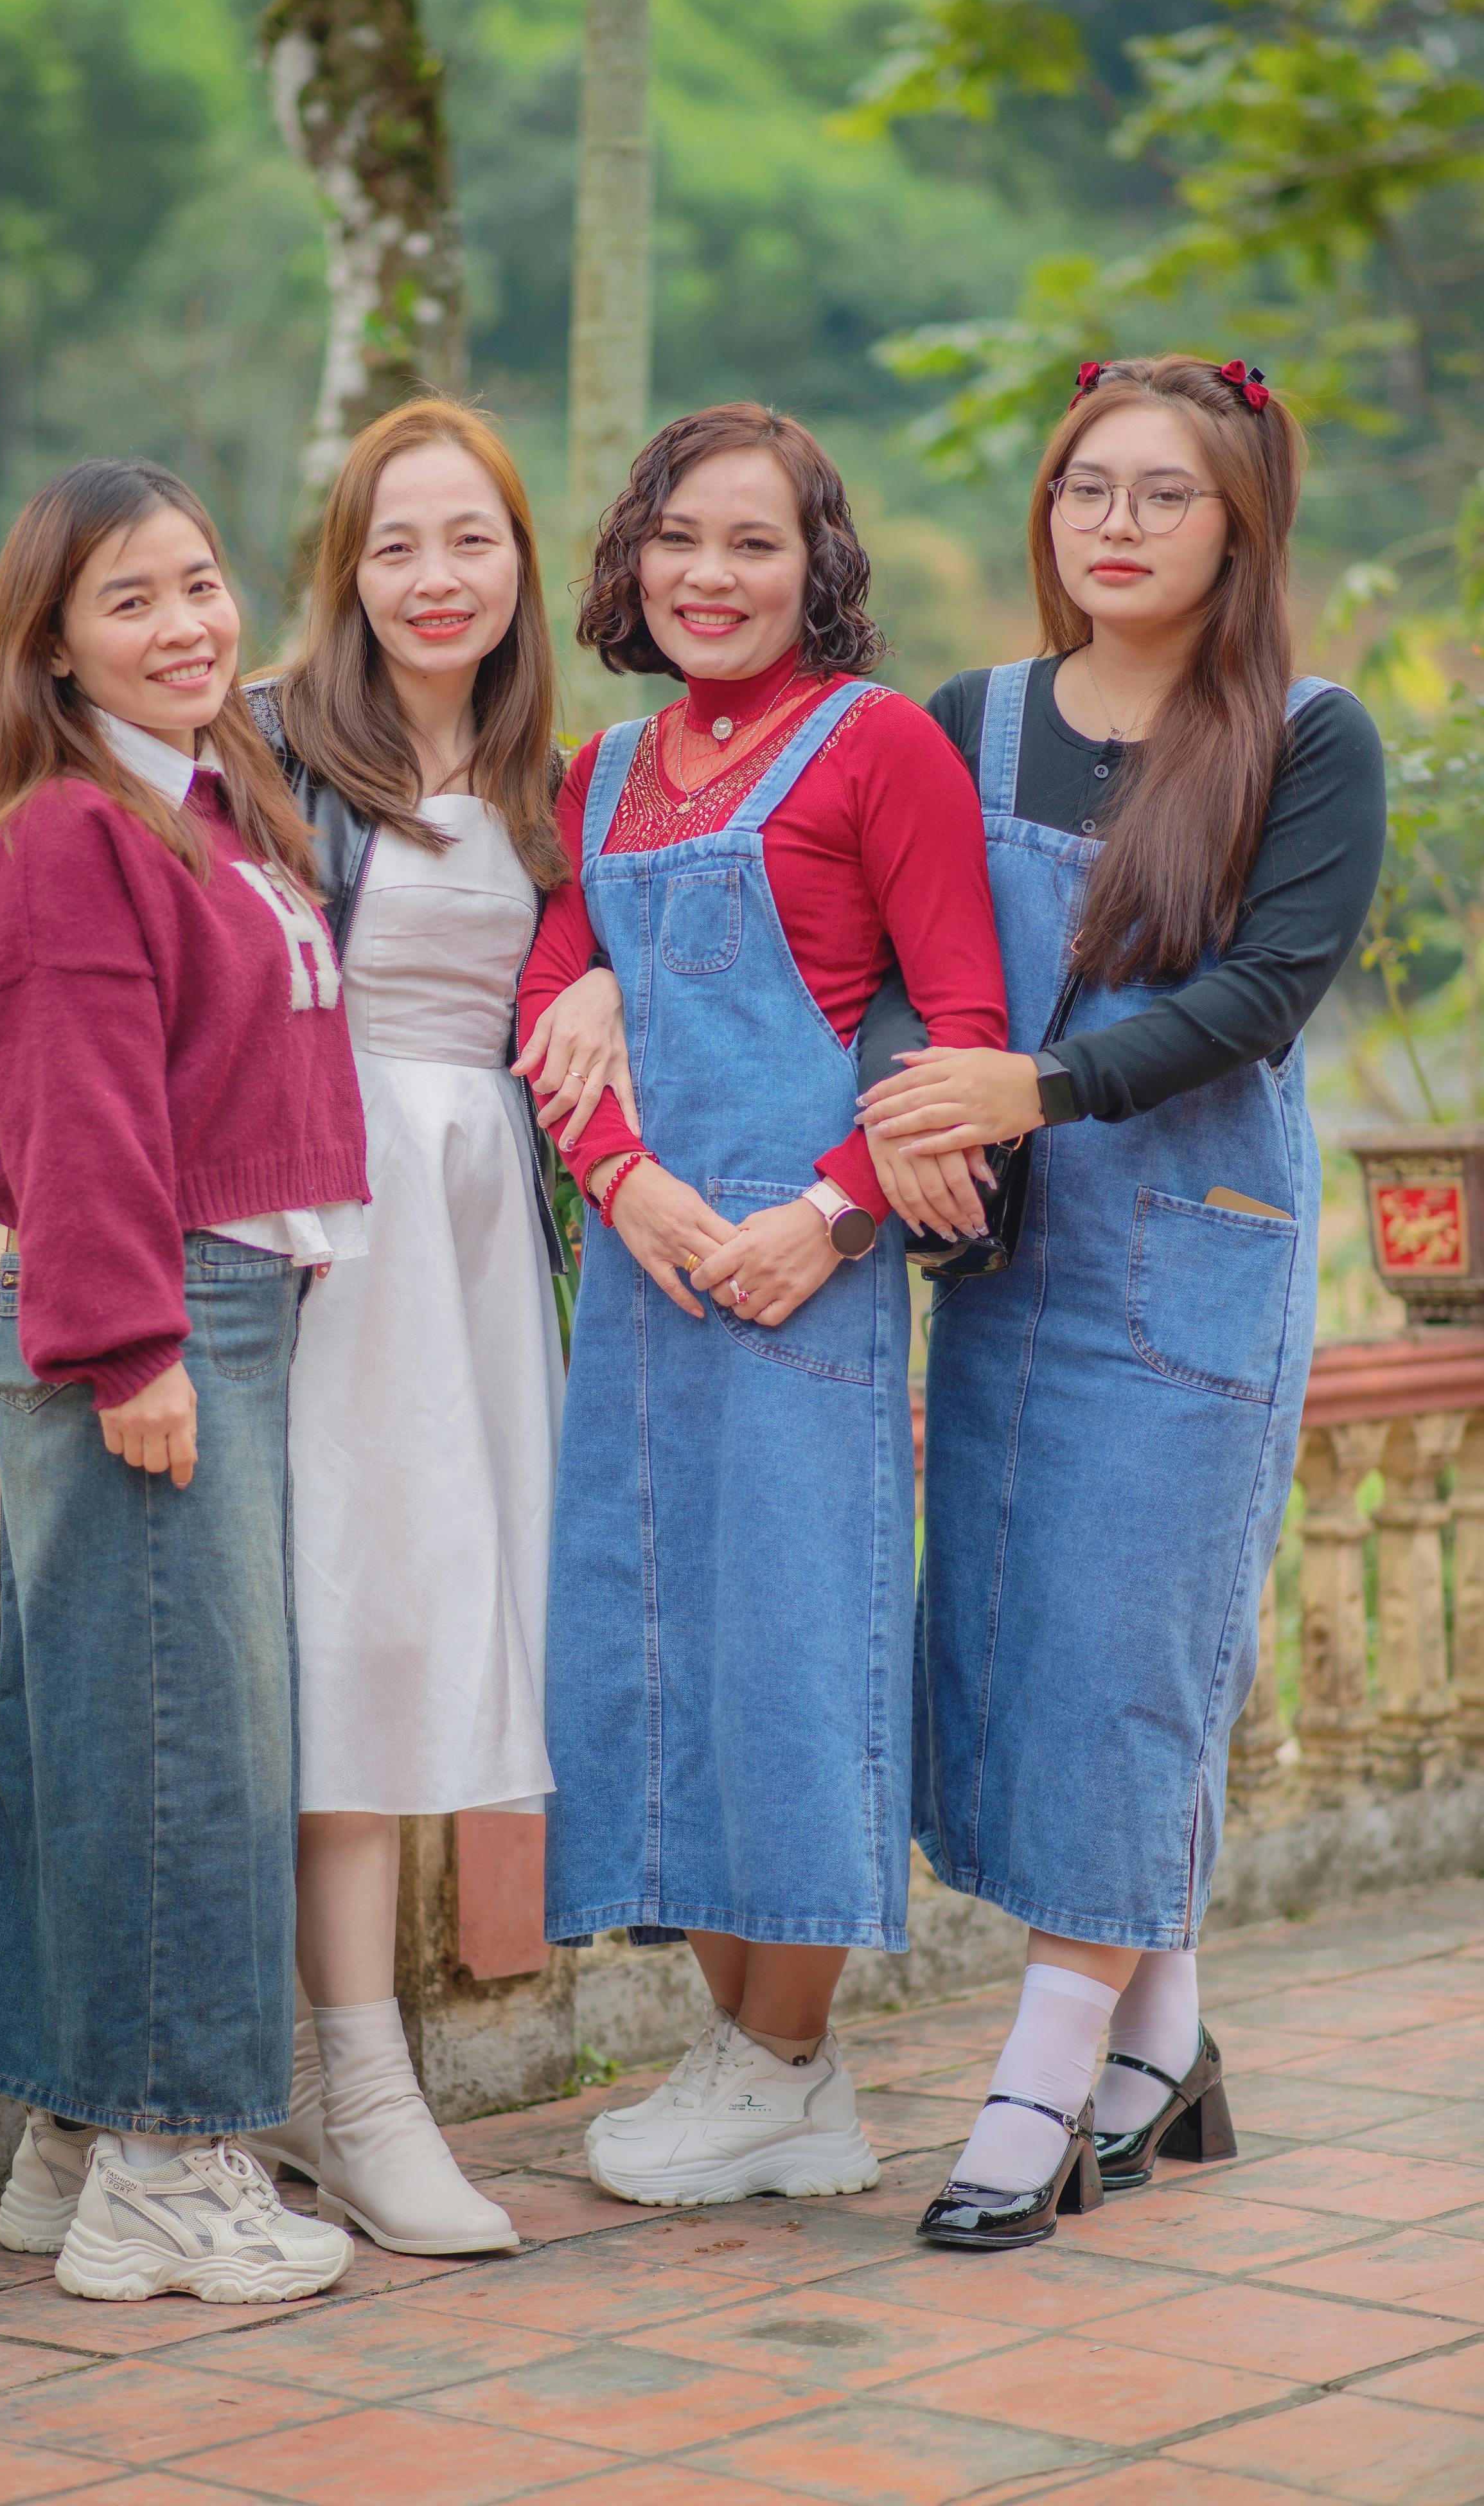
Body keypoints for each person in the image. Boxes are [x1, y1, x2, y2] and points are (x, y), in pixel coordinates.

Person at [858, 355, 1387, 2250]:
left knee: (1123, 1662)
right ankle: (1165, 2040)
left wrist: (1040, 1090)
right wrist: (918, 1108)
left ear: (1240, 525)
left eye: (1167, 495)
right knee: (1012, 1646)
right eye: (1089, 487)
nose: (1118, 525)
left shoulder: (1308, 736)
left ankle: (1045, 2083)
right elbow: (907, 963)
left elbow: (1263, 996)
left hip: (1196, 1255)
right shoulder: (970, 719)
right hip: (1008, 1262)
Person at [519, 403, 1008, 2209]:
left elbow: (963, 1033)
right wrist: (631, 1183)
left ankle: (781, 2055)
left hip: (812, 1288)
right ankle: (765, 2076)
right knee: (667, 1653)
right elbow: (553, 994)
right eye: (680, 539)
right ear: (633, 562)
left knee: (795, 1650)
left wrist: (827, 1217)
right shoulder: (598, 775)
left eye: (754, 543)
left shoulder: (877, 747)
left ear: (819, 569)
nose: (712, 575)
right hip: (649, 1294)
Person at [0, 460, 363, 2305]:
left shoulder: (210, 803)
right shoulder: (71, 833)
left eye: (201, 583)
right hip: (154, 1313)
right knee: (194, 1745)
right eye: (133, 601)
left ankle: (71, 2138)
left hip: (214, 1299)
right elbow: (76, 1111)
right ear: (52, 647)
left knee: (104, 1730)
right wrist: (129, 1348)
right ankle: (171, 2171)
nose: (189, 623)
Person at [243, 399, 633, 2255]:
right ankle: (355, 2085)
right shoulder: (260, 749)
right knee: (349, 1633)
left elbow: (604, 974)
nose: (432, 577)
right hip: (333, 1228)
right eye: (395, 543)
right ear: (348, 569)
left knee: (439, 1635)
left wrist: (614, 1004)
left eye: (469, 539)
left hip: (484, 1246)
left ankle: (360, 2079)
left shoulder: (566, 782)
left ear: (519, 566)